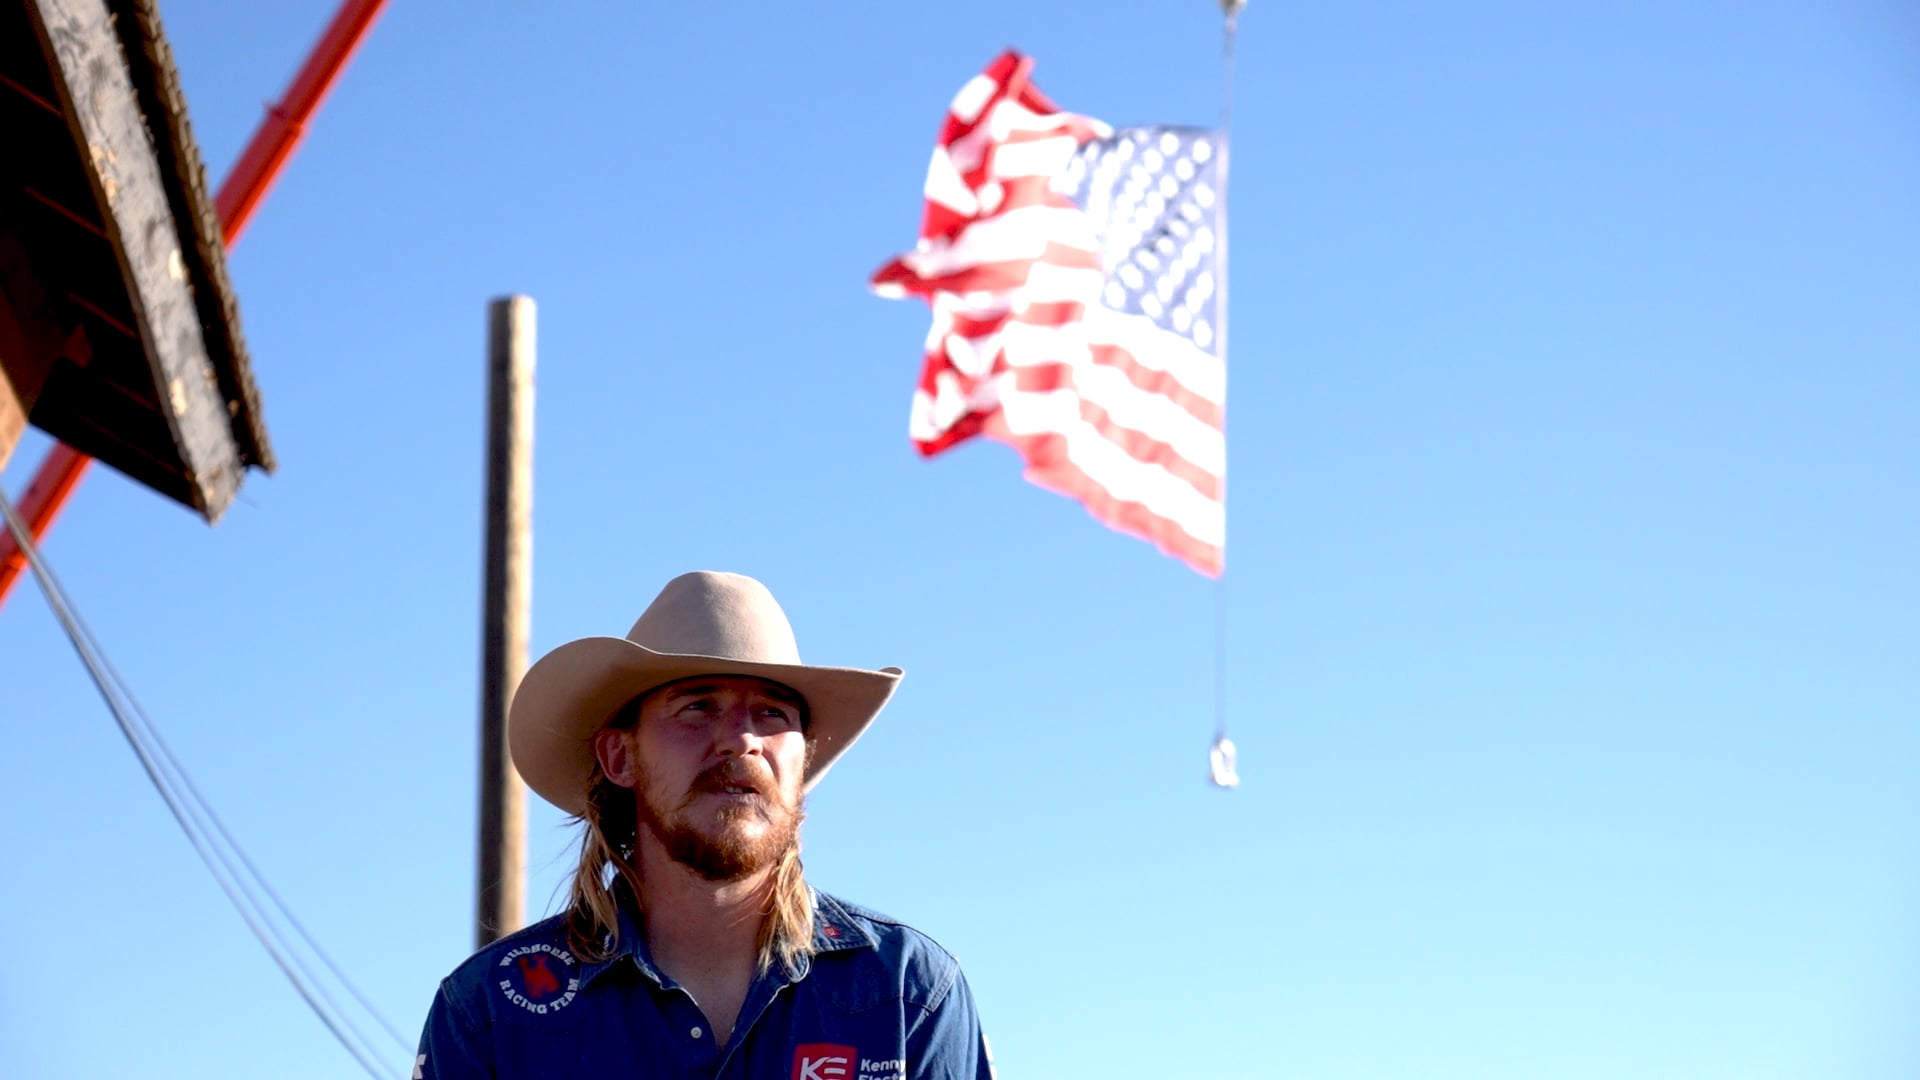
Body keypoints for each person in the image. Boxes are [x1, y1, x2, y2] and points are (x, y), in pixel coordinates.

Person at [415, 571, 994, 1079]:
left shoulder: (906, 992)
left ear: (802, 761)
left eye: (772, 713)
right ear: (619, 758)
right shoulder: (491, 1011)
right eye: (697, 706)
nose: (742, 741)